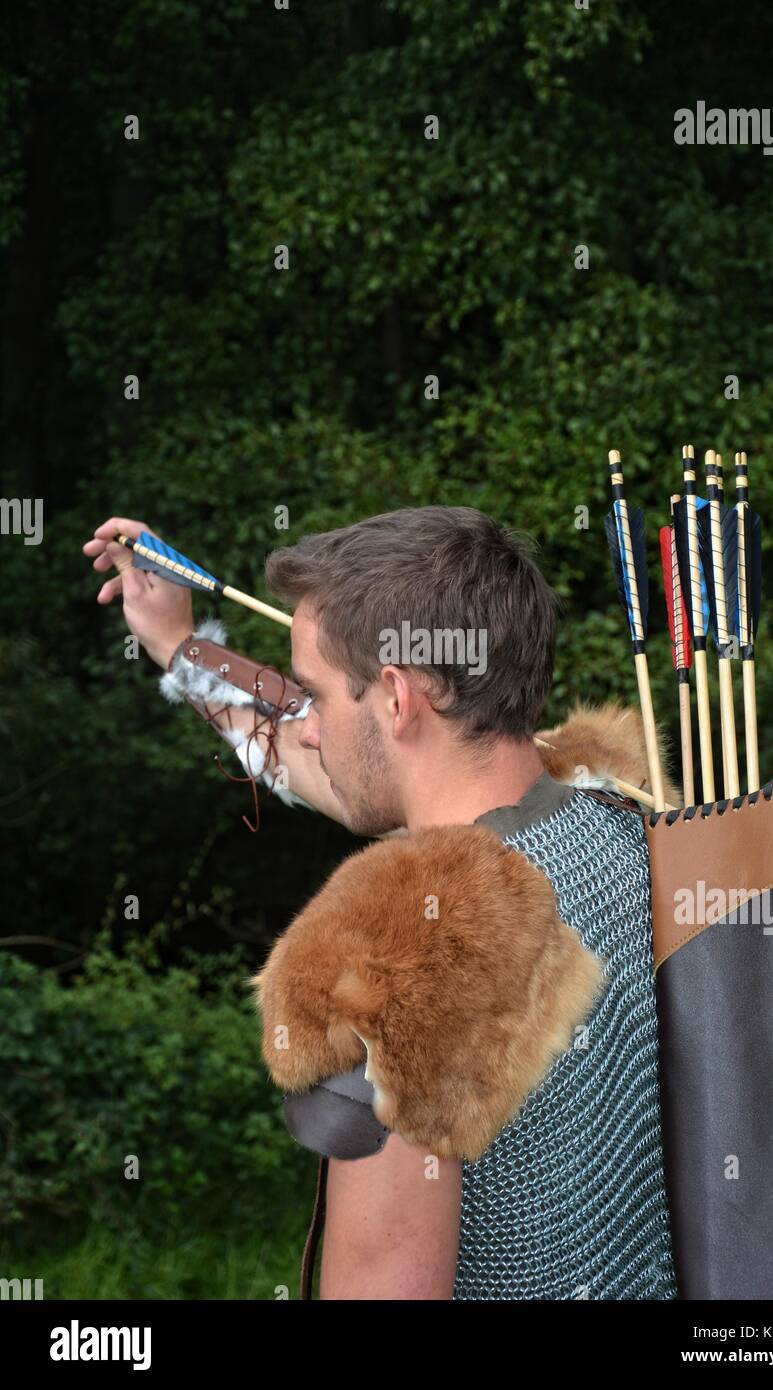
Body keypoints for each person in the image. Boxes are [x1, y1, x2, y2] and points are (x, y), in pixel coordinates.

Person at [83, 505, 678, 1301]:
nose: (312, 729)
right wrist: (177, 643)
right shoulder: (626, 817)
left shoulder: (403, 957)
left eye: (316, 694)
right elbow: (321, 757)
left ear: (397, 698)